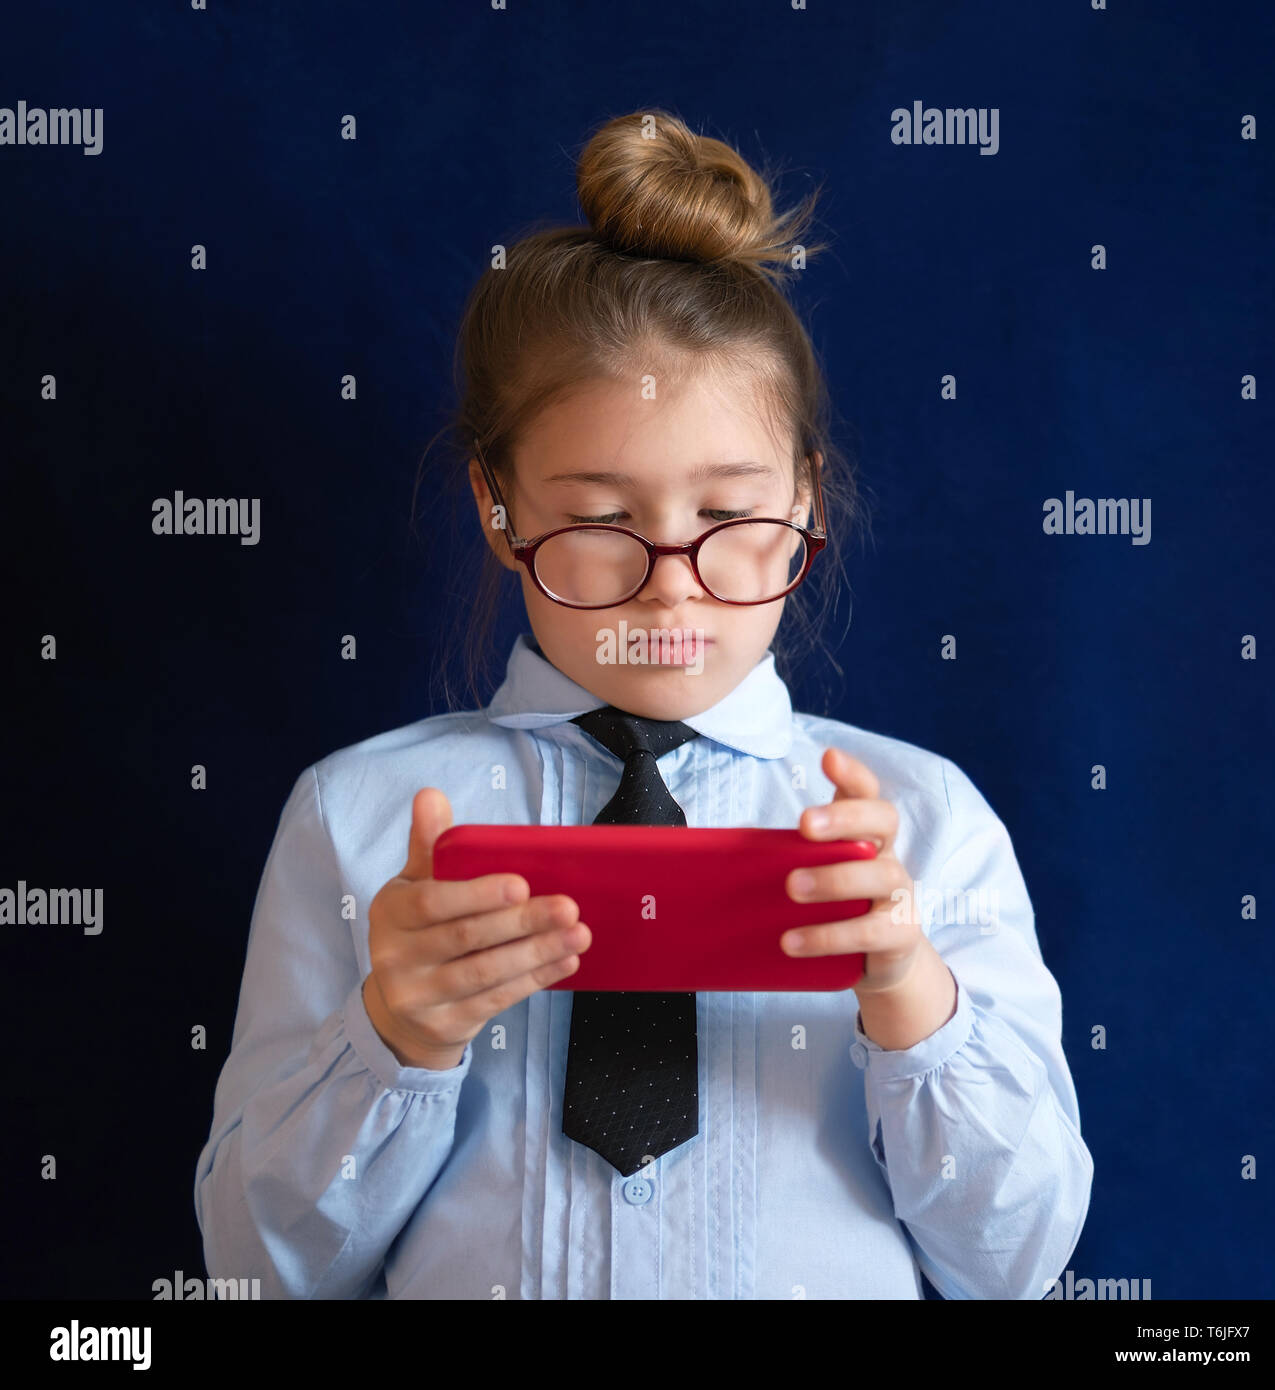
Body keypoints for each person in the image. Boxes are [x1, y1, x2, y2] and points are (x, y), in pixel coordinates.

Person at [194, 108, 1093, 1299]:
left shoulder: (927, 825)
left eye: (727, 515)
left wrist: (909, 997)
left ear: (806, 503)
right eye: (603, 520)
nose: (671, 581)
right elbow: (253, 1274)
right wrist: (395, 1036)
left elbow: (1017, 1265)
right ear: (497, 508)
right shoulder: (352, 816)